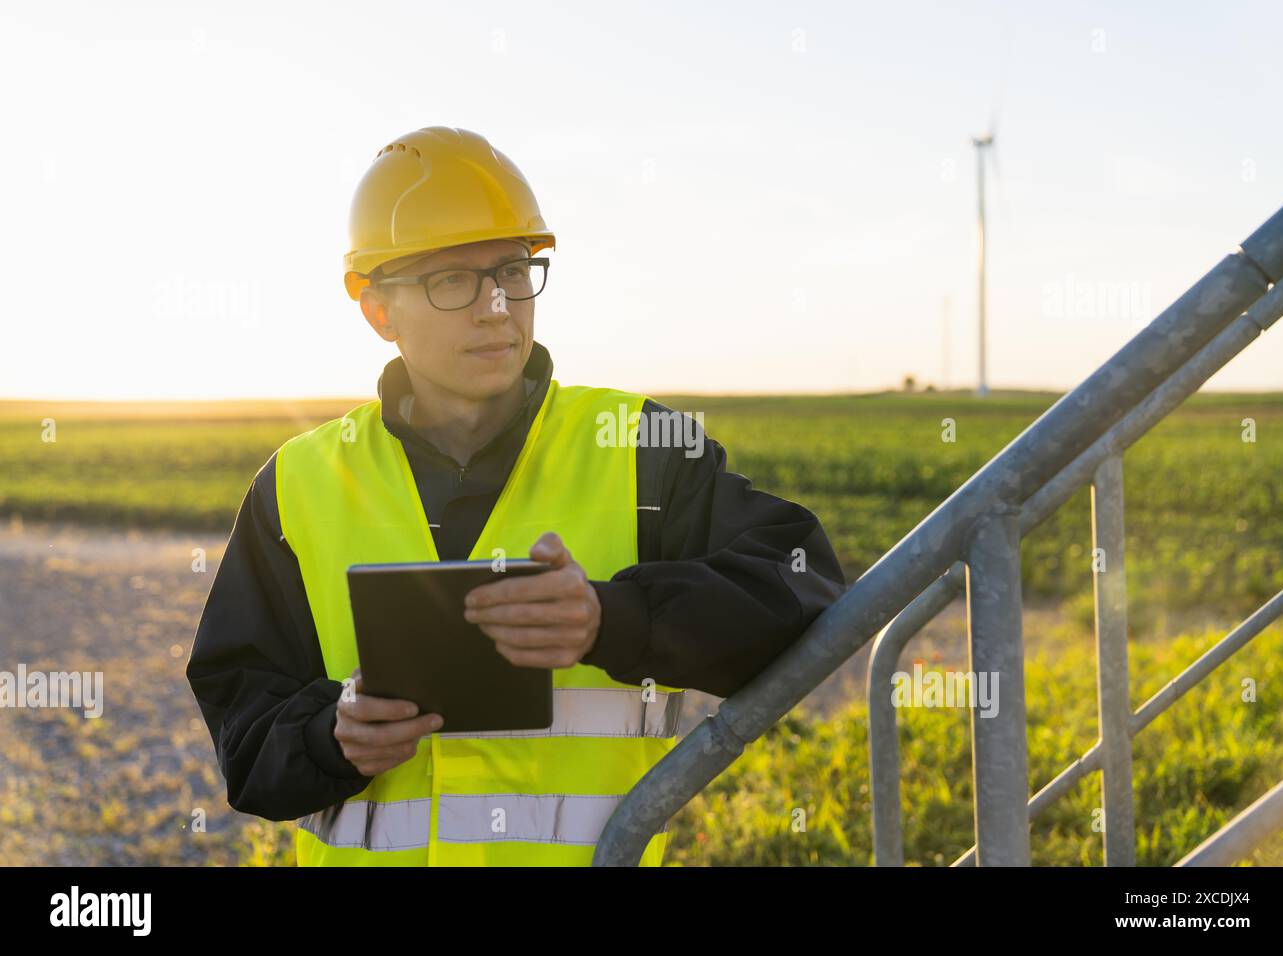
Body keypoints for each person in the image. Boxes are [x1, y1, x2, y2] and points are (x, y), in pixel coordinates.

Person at [186, 126, 846, 867]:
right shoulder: (296, 486)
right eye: (452, 281)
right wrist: (328, 736)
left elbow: (805, 583)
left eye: (512, 269)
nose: (496, 306)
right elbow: (243, 734)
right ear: (377, 310)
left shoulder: (641, 449)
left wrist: (614, 619)